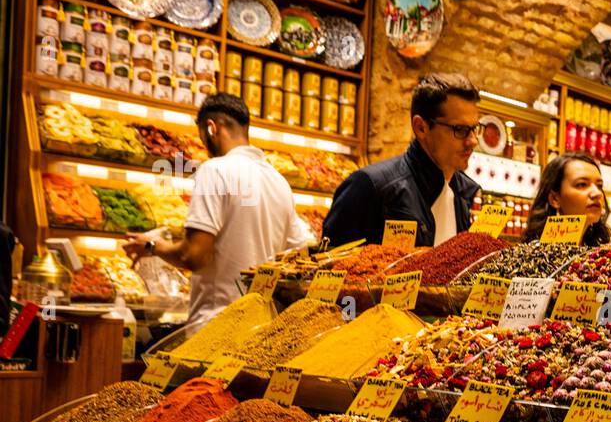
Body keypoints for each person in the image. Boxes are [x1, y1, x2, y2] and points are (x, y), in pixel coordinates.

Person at [124, 93, 312, 328]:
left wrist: (152, 246)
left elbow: (194, 255)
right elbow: (300, 255)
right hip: (262, 325)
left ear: (211, 128)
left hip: (216, 325)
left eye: (203, 136)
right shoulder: (278, 181)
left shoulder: (215, 170)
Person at [321, 73, 483, 248]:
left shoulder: (466, 195)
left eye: (474, 129)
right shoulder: (369, 187)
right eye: (460, 129)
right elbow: (326, 268)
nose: (473, 141)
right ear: (421, 128)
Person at [520, 154, 611, 247]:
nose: (597, 193)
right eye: (582, 184)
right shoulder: (536, 255)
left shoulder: (604, 250)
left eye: (599, 186)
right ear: (554, 199)